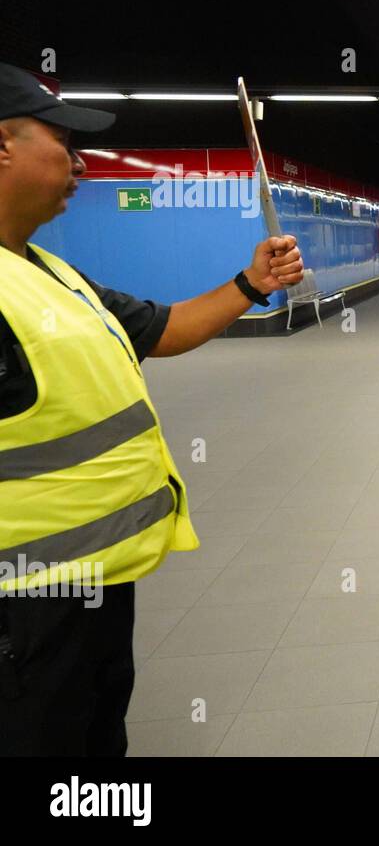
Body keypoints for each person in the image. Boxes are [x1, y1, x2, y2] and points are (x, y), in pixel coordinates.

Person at [0, 62, 304, 755]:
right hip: (20, 607)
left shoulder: (50, 273)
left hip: (89, 586)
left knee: (95, 738)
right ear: (2, 146)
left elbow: (163, 330)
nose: (79, 163)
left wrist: (251, 283)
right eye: (62, 142)